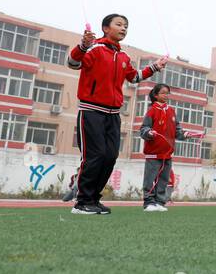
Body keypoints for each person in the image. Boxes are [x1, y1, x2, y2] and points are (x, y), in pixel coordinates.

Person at [67, 14, 165, 215]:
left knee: (110, 156)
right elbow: (72, 63)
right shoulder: (93, 49)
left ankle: (93, 199)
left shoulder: (123, 56)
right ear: (105, 28)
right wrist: (83, 46)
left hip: (113, 114)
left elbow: (134, 77)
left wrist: (154, 67)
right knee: (94, 156)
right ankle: (82, 202)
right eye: (118, 24)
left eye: (126, 26)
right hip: (91, 111)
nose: (123, 28)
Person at [139, 83, 198, 213]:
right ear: (156, 95)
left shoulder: (171, 111)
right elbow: (143, 129)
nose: (166, 95)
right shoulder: (151, 110)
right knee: (151, 178)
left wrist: (186, 135)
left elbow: (177, 131)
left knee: (164, 179)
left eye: (167, 93)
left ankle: (160, 202)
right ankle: (149, 202)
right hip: (154, 153)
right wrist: (149, 133)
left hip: (167, 153)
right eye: (163, 93)